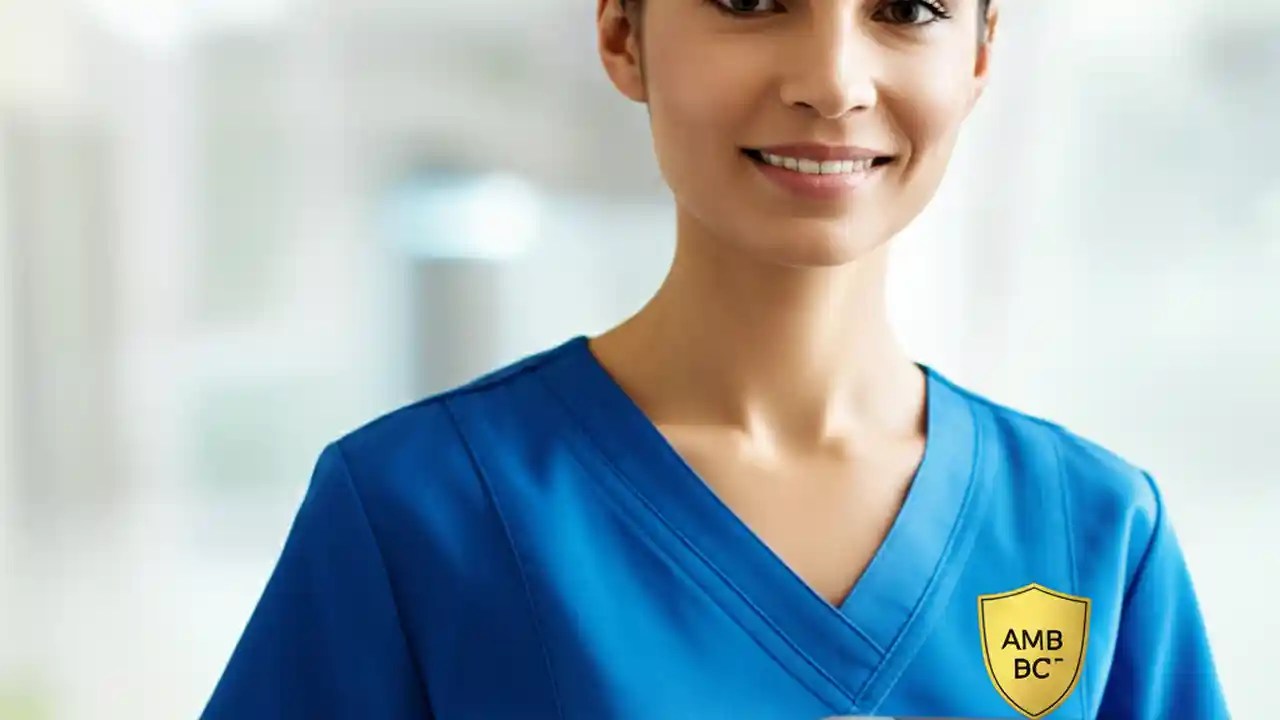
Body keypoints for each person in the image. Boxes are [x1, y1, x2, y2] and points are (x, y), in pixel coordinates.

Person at [201, 1, 1229, 718]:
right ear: (621, 33)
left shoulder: (1091, 530)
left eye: (907, 8)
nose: (832, 82)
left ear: (979, 57)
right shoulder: (420, 512)